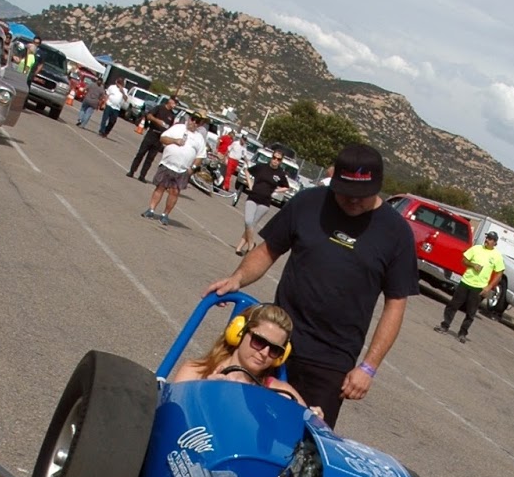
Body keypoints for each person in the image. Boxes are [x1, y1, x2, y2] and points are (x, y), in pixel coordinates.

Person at [202, 142, 418, 426]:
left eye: (361, 196)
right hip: (276, 343)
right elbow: (269, 250)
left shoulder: (397, 233)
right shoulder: (309, 203)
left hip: (331, 361)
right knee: (242, 419)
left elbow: (395, 304)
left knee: (303, 443)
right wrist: (237, 278)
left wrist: (368, 367)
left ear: (378, 187)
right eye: (345, 194)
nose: (353, 201)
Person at [170, 302, 308, 403]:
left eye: (275, 349)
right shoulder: (195, 373)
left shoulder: (281, 392)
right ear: (238, 333)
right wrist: (204, 391)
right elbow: (172, 418)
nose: (265, 353)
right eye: (259, 341)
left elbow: (311, 425)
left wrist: (315, 420)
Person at [142, 110, 209, 227]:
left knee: (174, 192)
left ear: (200, 124)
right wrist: (174, 141)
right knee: (160, 187)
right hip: (167, 164)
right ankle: (151, 210)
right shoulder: (178, 128)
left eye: (197, 121)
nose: (193, 122)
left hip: (182, 169)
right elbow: (163, 138)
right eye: (192, 119)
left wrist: (192, 168)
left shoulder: (199, 138)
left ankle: (165, 215)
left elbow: (200, 156)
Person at [436, 231, 504, 342]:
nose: (487, 240)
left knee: (471, 312)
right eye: (487, 237)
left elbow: (499, 273)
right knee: (453, 305)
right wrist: (472, 264)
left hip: (479, 287)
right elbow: (464, 260)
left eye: (490, 239)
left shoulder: (497, 256)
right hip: (466, 282)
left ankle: (462, 333)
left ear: (495, 243)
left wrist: (489, 287)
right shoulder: (476, 249)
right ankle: (444, 325)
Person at [237, 149, 290, 255]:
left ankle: (239, 248)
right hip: (253, 197)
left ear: (281, 161)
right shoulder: (261, 167)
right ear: (271, 157)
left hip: (265, 202)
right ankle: (251, 245)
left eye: (278, 159)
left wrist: (275, 190)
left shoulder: (280, 174)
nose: (275, 161)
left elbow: (286, 187)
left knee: (252, 224)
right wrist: (250, 184)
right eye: (274, 158)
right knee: (248, 222)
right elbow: (247, 171)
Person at [126, 95, 176, 181]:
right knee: (141, 153)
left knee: (150, 158)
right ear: (170, 101)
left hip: (159, 138)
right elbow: (149, 116)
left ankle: (142, 176)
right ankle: (132, 171)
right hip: (152, 134)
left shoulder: (172, 115)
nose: (175, 105)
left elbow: (170, 128)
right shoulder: (159, 108)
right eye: (174, 102)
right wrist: (157, 121)